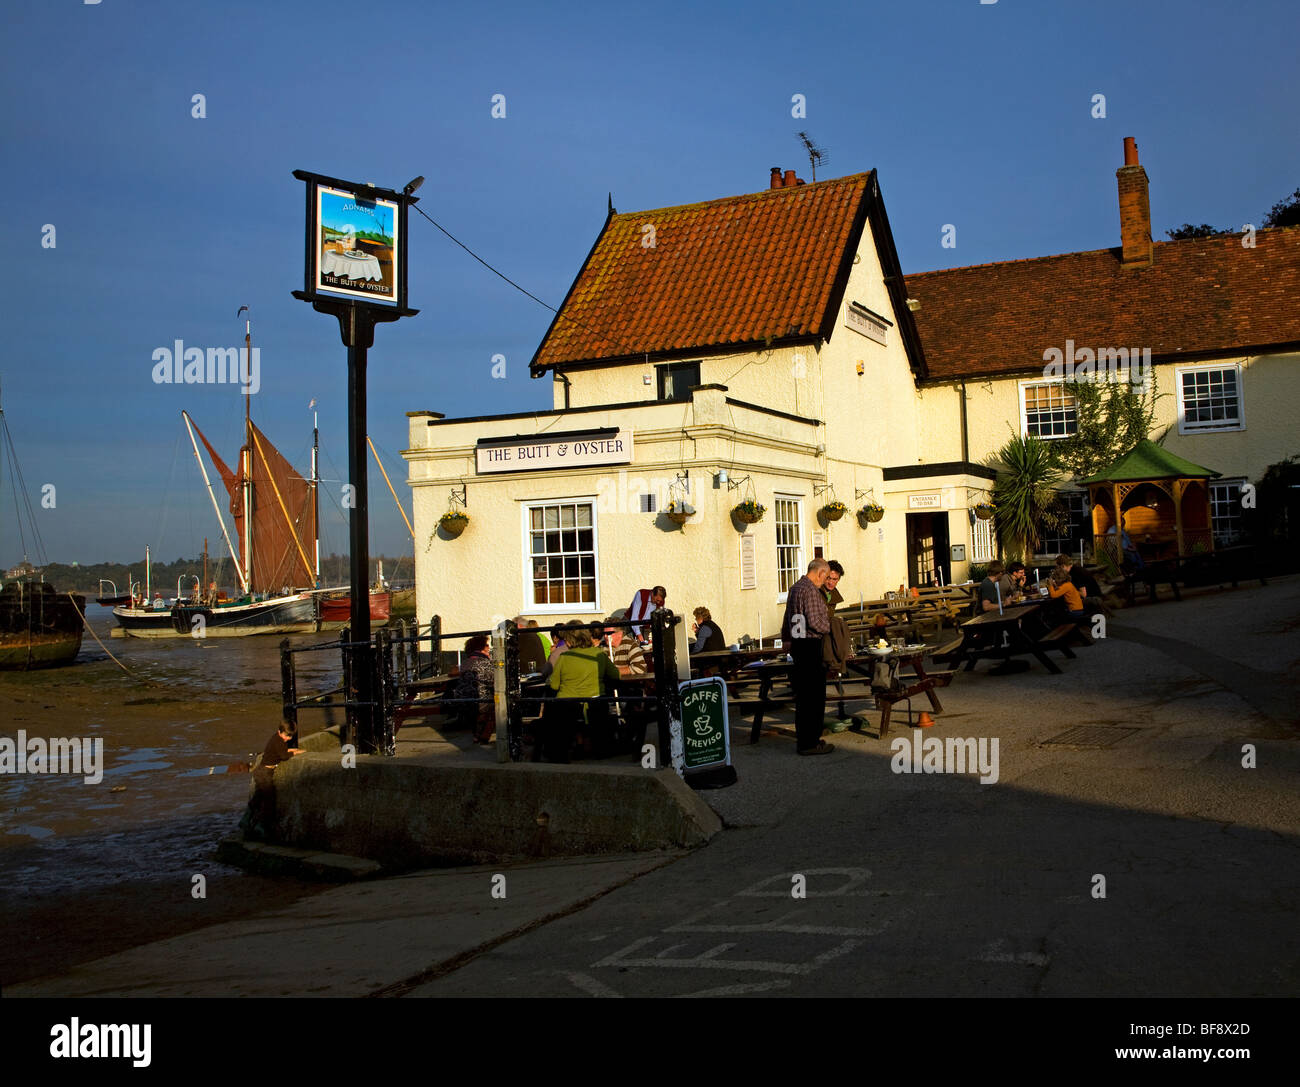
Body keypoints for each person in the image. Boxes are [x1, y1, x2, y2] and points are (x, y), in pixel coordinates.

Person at [544, 624, 621, 761]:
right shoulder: (598, 654)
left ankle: (562, 751)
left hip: (568, 705)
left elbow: (554, 685)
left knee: (552, 709)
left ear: (570, 640)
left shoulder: (565, 657)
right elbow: (615, 675)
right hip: (595, 703)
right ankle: (597, 748)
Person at [781, 558, 834, 756]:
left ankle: (805, 740)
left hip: (798, 644)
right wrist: (831, 627)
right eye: (826, 576)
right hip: (811, 645)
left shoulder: (795, 588)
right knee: (814, 697)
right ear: (820, 573)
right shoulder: (811, 590)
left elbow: (789, 618)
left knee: (803, 697)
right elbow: (814, 622)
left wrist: (787, 638)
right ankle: (811, 743)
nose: (825, 580)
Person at [242, 721, 305, 841]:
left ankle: (246, 820)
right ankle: (261, 827)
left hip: (261, 771)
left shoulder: (276, 739)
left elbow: (281, 752)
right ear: (279, 731)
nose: (288, 738)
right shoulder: (279, 742)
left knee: (258, 797)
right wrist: (295, 752)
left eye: (290, 736)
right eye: (287, 736)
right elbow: (284, 756)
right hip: (265, 773)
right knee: (269, 801)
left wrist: (290, 750)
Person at [453, 634, 495, 743]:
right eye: (486, 645)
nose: (488, 647)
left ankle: (477, 733)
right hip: (479, 701)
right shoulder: (485, 663)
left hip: (461, 700)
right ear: (480, 647)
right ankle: (484, 734)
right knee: (501, 701)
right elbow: (494, 682)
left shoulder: (465, 662)